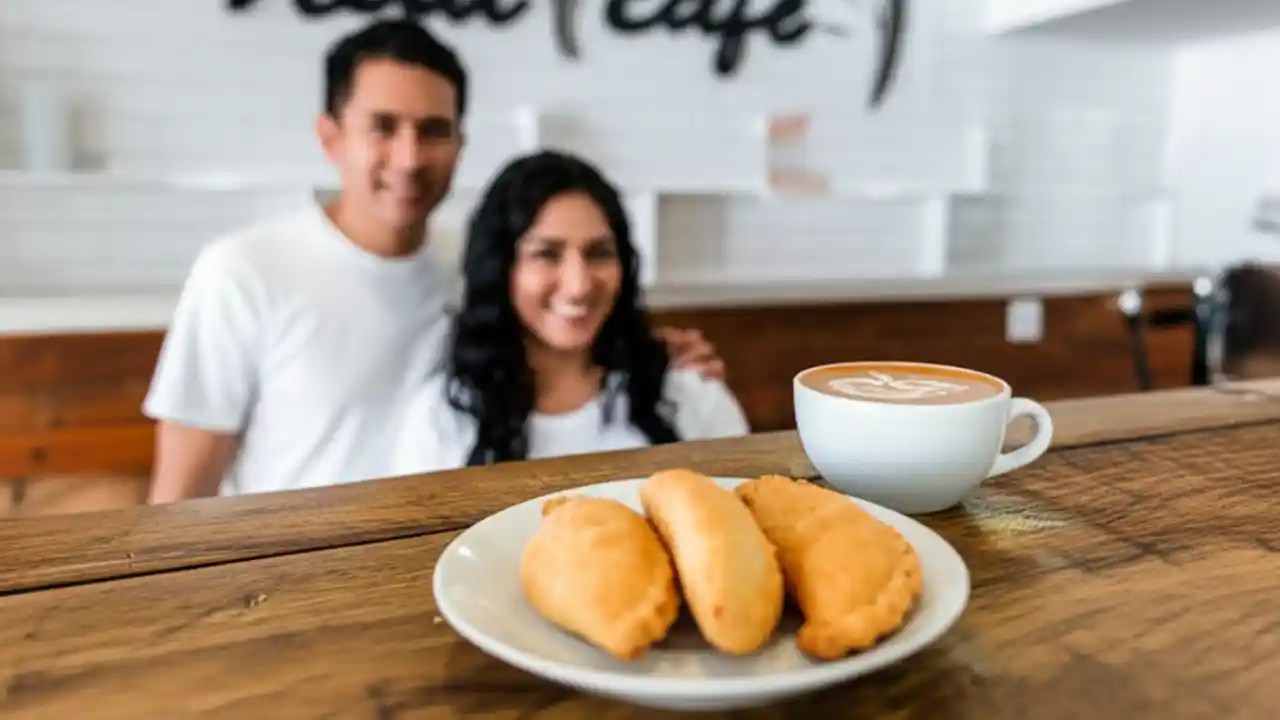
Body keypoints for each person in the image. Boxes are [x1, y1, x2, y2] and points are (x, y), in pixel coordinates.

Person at [144, 20, 722, 502]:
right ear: (331, 137)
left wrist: (655, 354)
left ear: (460, 143)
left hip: (428, 560)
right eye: (383, 127)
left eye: (433, 131)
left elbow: (564, 327)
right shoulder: (243, 271)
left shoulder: (473, 266)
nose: (410, 157)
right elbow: (178, 498)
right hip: (284, 582)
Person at [392, 151, 749, 474]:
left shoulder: (686, 390)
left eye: (599, 253)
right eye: (547, 254)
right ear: (501, 268)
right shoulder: (443, 418)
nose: (579, 285)